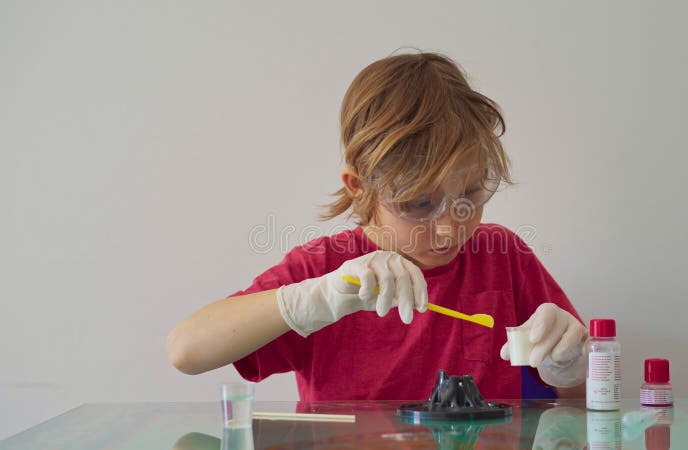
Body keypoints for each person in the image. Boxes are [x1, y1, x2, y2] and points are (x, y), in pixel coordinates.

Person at [167, 51, 587, 401]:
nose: (449, 229)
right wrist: (315, 299)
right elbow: (186, 350)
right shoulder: (326, 271)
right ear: (359, 187)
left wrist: (569, 371)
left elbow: (580, 401)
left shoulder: (502, 256)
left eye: (470, 195)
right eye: (419, 204)